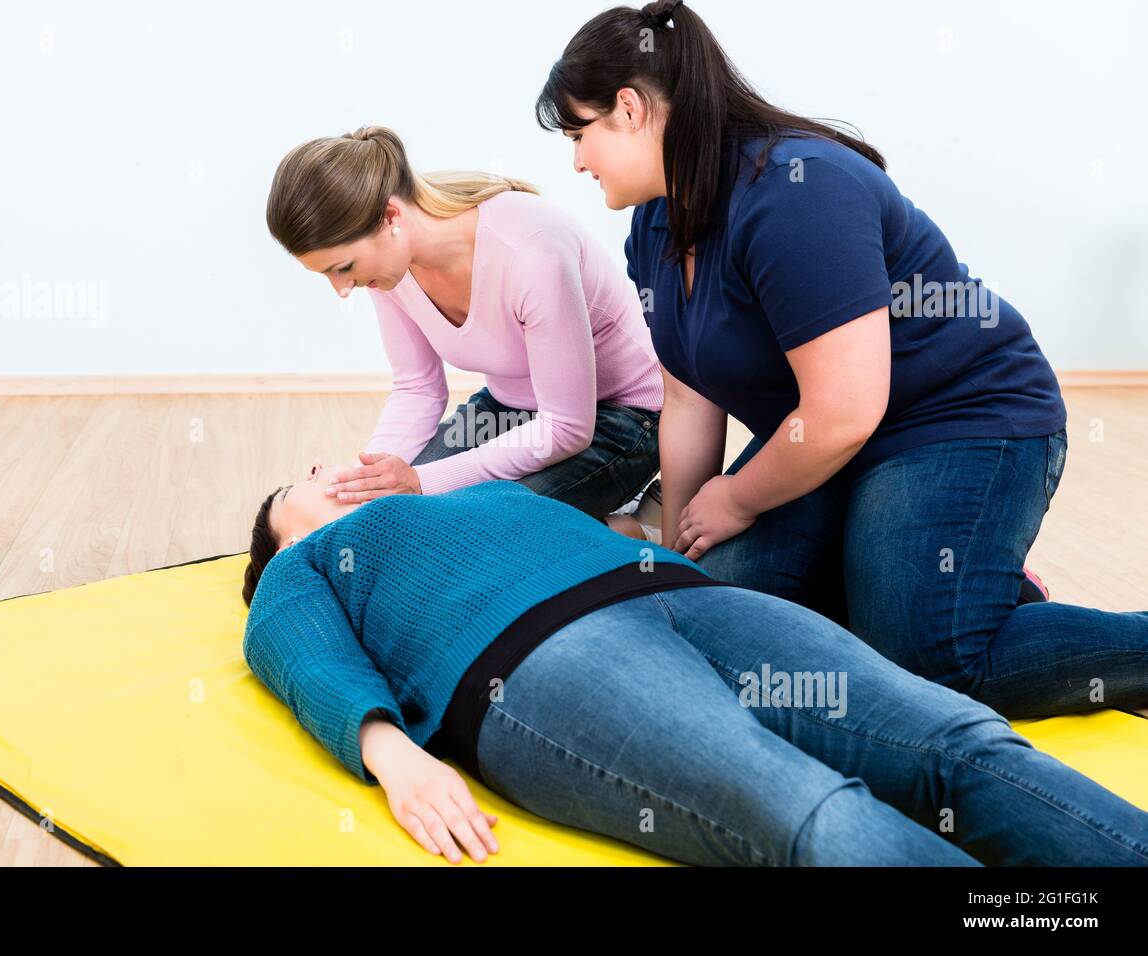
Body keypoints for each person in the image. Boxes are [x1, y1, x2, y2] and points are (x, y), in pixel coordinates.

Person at [534, 0, 1148, 718]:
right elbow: (688, 399)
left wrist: (735, 498)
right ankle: (973, 589)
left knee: (928, 665)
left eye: (580, 133)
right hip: (820, 440)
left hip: (957, 421)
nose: (576, 160)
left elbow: (847, 409)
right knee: (719, 617)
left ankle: (969, 608)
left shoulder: (796, 191)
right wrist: (682, 552)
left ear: (631, 110)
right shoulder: (656, 221)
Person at [237, 468, 1148, 866]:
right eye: (303, 481)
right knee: (807, 808)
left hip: (692, 597)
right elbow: (297, 651)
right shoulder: (304, 565)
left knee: (960, 740)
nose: (329, 468)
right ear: (285, 530)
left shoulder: (470, 497)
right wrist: (395, 756)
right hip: (541, 662)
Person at [265, 125, 663, 528]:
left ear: (390, 216)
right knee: (389, 516)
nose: (342, 289)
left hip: (619, 417)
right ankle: (602, 524)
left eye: (343, 268)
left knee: (459, 529)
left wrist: (420, 479)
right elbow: (418, 389)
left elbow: (567, 428)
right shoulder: (387, 269)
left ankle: (635, 531)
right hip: (513, 411)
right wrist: (367, 481)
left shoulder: (529, 249)